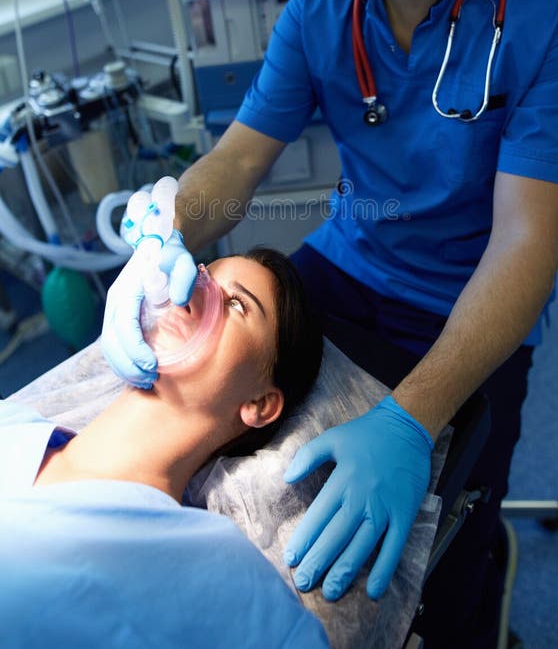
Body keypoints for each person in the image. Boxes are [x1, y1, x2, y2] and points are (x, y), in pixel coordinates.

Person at [101, 0, 558, 648]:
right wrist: (165, 231)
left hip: (470, 300)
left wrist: (411, 418)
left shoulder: (553, 14)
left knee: (437, 572)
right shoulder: (325, 2)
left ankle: (485, 589)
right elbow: (239, 160)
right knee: (238, 476)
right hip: (340, 267)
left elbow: (528, 240)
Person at [0, 249, 328, 649]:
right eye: (199, 277)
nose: (193, 293)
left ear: (259, 405)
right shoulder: (10, 424)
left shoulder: (217, 568)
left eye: (236, 304)